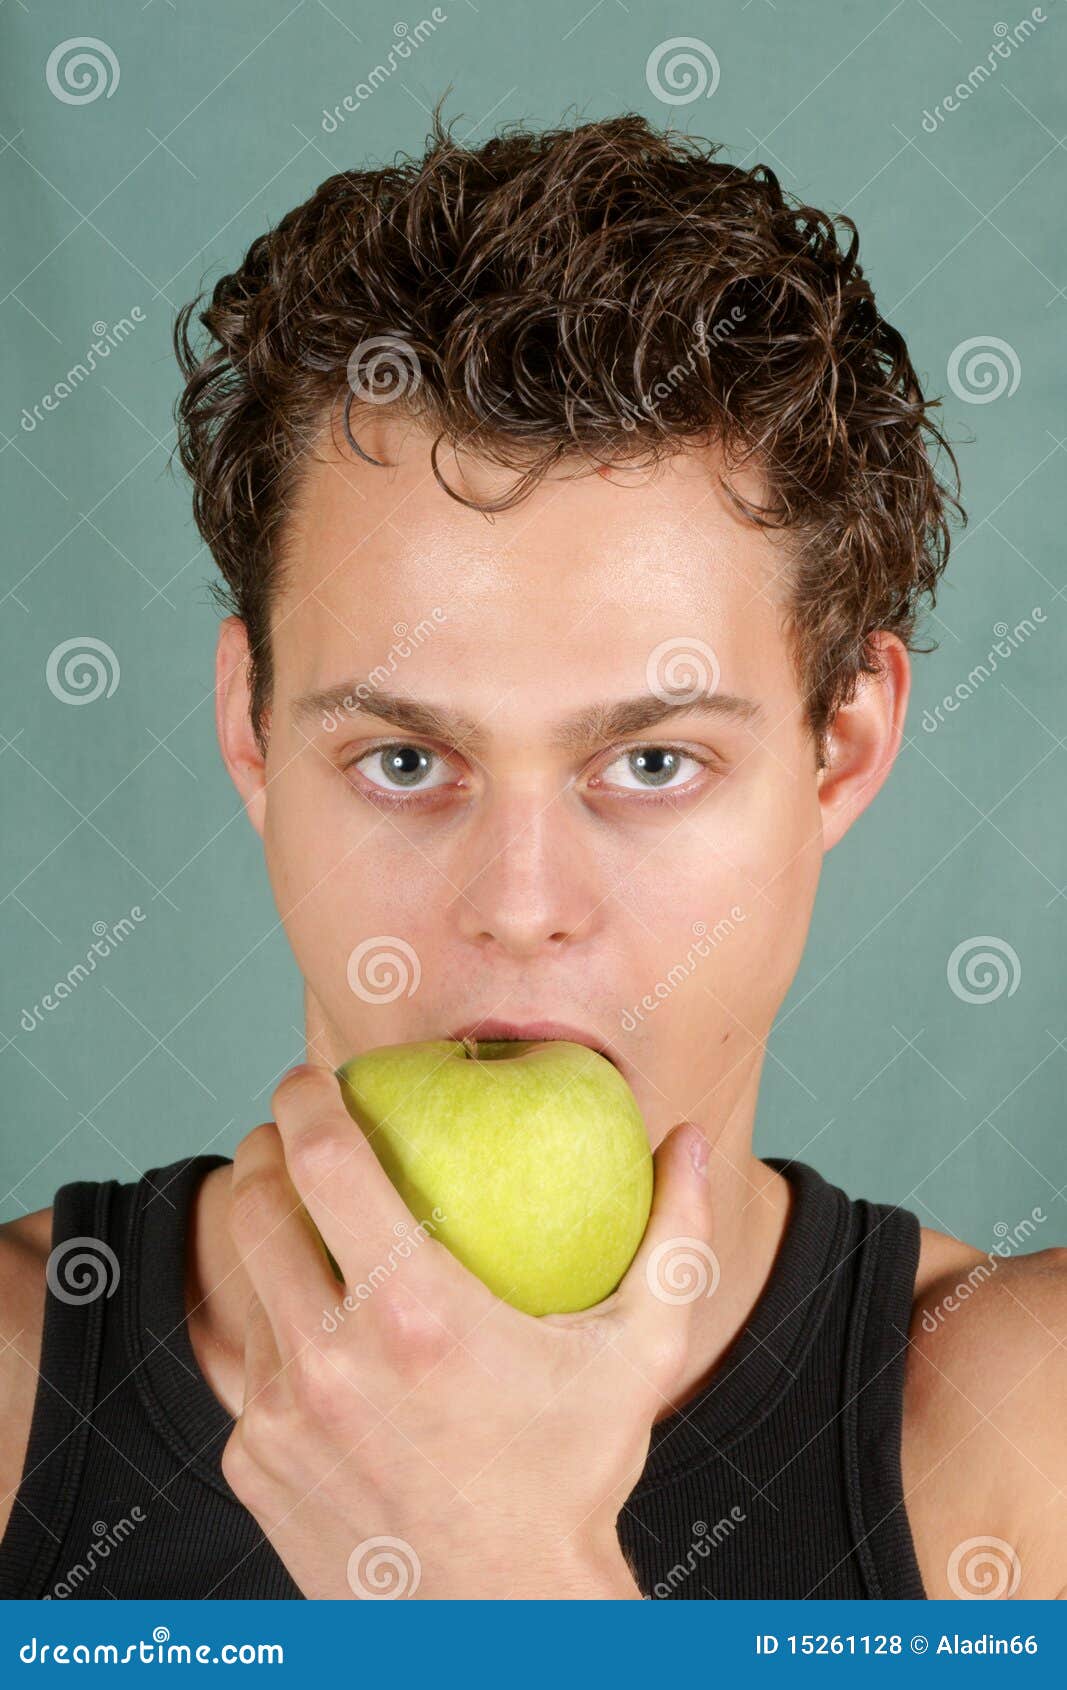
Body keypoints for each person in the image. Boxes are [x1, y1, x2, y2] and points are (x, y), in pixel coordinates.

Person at [1, 109, 1063, 1602]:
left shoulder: (1030, 1430)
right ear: (250, 729)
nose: (516, 908)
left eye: (647, 763)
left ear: (845, 746)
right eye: (405, 760)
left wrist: (502, 1577)